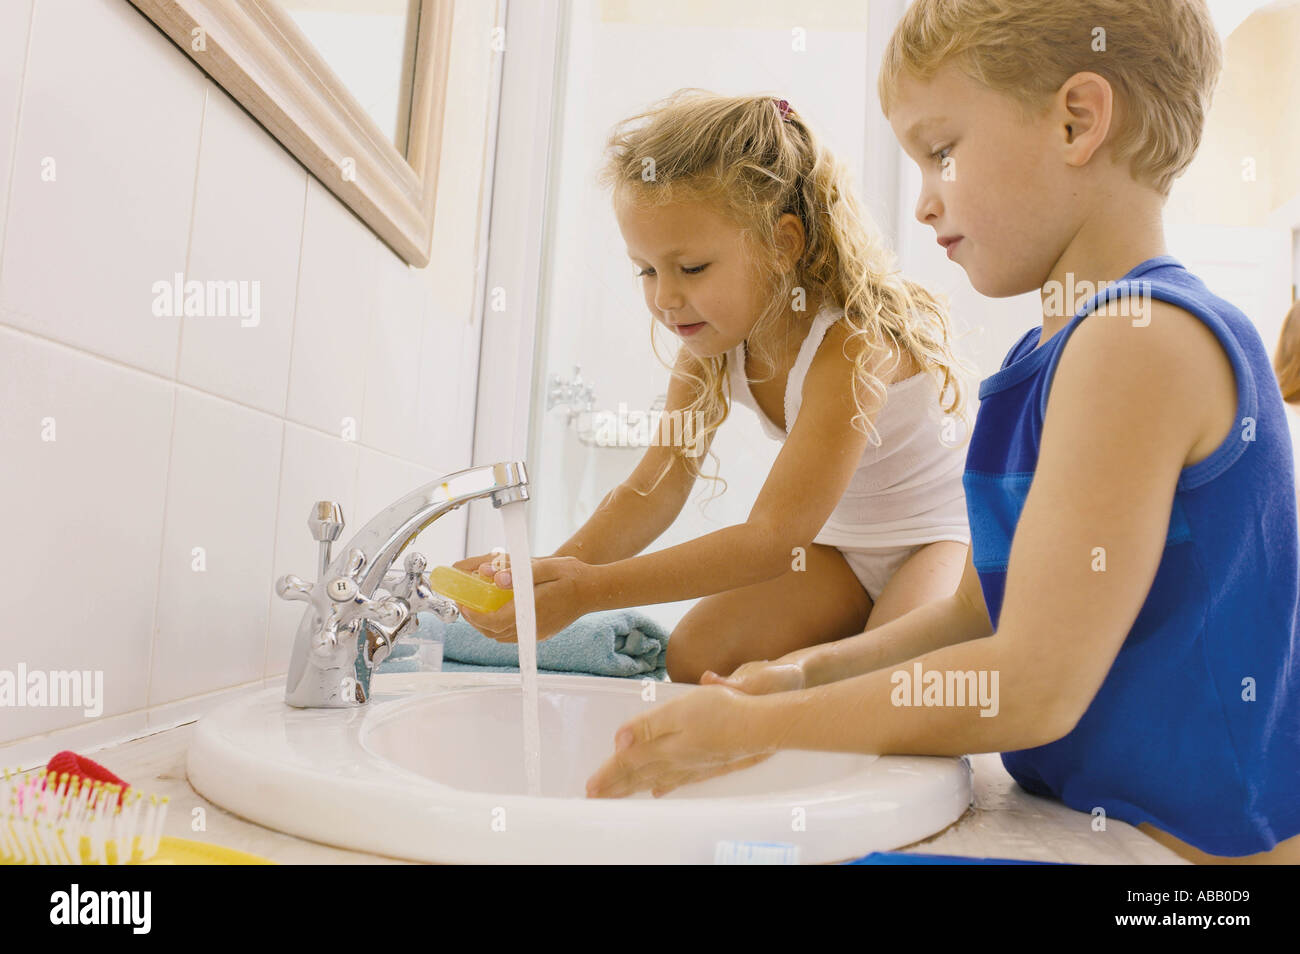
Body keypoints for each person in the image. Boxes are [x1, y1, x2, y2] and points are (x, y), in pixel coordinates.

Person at [585, 0, 1300, 865]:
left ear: (1078, 121)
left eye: (941, 152)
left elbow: (1034, 686)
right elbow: (973, 611)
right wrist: (806, 674)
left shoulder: (1138, 342)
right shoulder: (1058, 350)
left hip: (1190, 867)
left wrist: (766, 725)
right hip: (1095, 817)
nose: (922, 204)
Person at [453, 90, 974, 684]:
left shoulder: (851, 346)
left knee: (890, 688)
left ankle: (870, 637)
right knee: (694, 657)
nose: (665, 298)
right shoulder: (712, 347)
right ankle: (857, 631)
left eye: (691, 268)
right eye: (646, 270)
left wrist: (588, 591)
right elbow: (652, 490)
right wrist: (544, 573)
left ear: (782, 245)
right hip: (835, 552)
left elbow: (773, 538)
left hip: (935, 544)